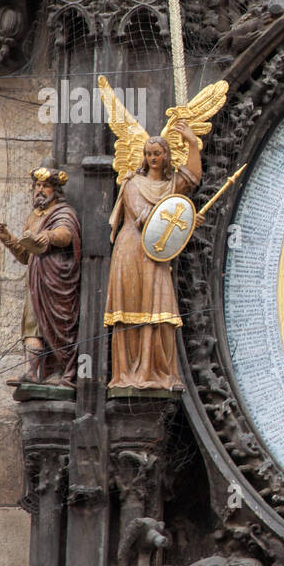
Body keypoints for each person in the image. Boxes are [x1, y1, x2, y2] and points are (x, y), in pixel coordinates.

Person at [104, 121, 202, 393]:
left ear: (166, 155)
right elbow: (141, 216)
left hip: (157, 253)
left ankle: (155, 370)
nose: (153, 158)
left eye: (158, 153)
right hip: (133, 249)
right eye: (148, 154)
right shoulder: (133, 183)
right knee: (133, 307)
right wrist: (183, 216)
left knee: (159, 307)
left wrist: (192, 142)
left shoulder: (172, 184)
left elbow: (193, 175)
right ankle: (128, 373)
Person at [0, 162, 81, 386]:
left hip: (56, 279)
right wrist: (7, 237)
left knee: (59, 325)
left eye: (45, 186)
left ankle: (62, 372)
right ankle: (32, 373)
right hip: (35, 278)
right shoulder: (33, 217)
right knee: (32, 324)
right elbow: (24, 256)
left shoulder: (63, 212)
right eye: (37, 186)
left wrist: (50, 236)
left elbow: (66, 234)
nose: (39, 190)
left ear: (55, 190)